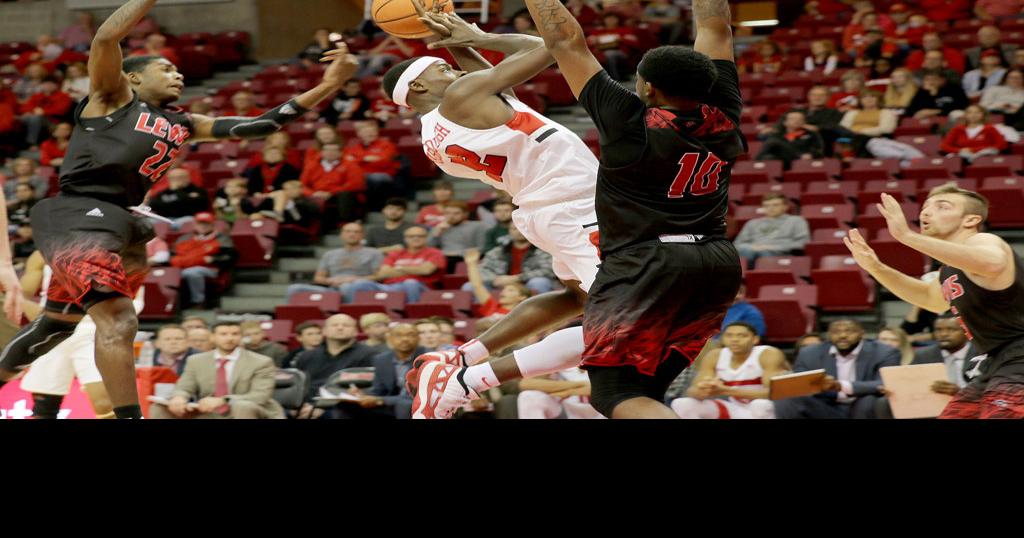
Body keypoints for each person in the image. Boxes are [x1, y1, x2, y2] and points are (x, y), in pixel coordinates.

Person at [0, 0, 358, 419]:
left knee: (56, 326)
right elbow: (106, 37)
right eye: (167, 69)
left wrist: (329, 84)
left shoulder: (185, 122)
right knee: (119, 321)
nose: (179, 74)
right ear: (133, 76)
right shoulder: (111, 97)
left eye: (178, 70)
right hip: (78, 212)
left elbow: (259, 125)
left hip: (121, 222)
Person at [388, 5, 613, 419]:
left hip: (543, 208)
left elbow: (516, 59)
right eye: (441, 69)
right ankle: (464, 382)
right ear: (418, 87)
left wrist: (465, 40)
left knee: (575, 297)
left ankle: (462, 357)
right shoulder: (461, 97)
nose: (452, 71)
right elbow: (551, 46)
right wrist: (482, 38)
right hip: (575, 205)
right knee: (625, 317)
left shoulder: (437, 128)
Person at [844, 184, 1024, 418]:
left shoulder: (983, 241)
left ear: (970, 220)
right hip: (994, 361)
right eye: (926, 206)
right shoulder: (948, 269)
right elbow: (931, 301)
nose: (926, 212)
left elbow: (993, 263)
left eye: (942, 207)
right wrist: (876, 268)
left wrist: (907, 236)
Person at [15, 251, 141, 419]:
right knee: (44, 404)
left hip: (94, 329)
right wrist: (40, 318)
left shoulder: (117, 247)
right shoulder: (43, 252)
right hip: (55, 327)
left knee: (105, 403)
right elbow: (23, 293)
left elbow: (136, 299)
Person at [149, 321, 285, 419]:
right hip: (207, 412)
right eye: (223, 334)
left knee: (242, 406)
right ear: (212, 337)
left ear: (241, 337)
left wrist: (223, 400)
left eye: (235, 334)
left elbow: (260, 396)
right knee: (159, 407)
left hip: (250, 410)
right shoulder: (196, 360)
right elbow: (184, 386)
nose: (230, 338)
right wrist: (179, 397)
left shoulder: (261, 362)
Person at [774, 319, 901, 419]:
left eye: (849, 331)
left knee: (869, 400)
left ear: (862, 333)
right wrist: (818, 384)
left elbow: (885, 382)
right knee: (785, 399)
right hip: (825, 405)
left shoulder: (885, 352)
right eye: (836, 332)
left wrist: (840, 385)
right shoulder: (808, 353)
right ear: (828, 334)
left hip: (862, 403)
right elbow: (799, 384)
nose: (842, 335)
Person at [670, 322, 787, 419]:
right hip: (735, 408)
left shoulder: (768, 354)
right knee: (682, 403)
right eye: (729, 335)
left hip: (764, 409)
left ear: (755, 339)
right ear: (722, 339)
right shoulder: (715, 355)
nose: (735, 339)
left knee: (760, 405)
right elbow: (692, 391)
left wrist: (725, 390)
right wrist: (704, 390)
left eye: (742, 336)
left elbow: (774, 393)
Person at [875, 314, 980, 418]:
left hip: (970, 401)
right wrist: (896, 389)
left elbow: (989, 388)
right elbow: (911, 383)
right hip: (931, 400)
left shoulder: (982, 354)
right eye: (938, 330)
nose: (943, 334)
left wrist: (960, 391)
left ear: (966, 331)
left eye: (951, 329)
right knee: (884, 402)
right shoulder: (923, 354)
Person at [293, 314, 378, 419]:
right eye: (334, 325)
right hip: (307, 404)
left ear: (356, 331)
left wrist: (322, 408)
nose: (340, 328)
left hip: (344, 407)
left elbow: (368, 390)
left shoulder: (370, 355)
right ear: (324, 331)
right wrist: (299, 406)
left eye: (346, 325)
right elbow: (299, 386)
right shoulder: (306, 356)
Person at [341, 323, 425, 419]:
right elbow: (378, 391)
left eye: (410, 335)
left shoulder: (427, 358)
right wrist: (362, 394)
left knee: (403, 405)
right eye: (398, 335)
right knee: (344, 406)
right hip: (390, 404)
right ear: (389, 339)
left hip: (417, 403)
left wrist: (381, 400)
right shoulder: (381, 359)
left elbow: (414, 395)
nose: (405, 339)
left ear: (418, 338)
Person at [284, 222, 383, 303]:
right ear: (341, 235)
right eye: (348, 231)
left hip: (359, 289)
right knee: (294, 288)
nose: (352, 234)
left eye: (356, 232)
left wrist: (355, 279)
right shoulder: (330, 254)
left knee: (347, 287)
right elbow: (318, 278)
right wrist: (330, 281)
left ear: (362, 235)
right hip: (332, 289)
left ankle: (347, 316)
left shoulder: (374, 253)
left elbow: (379, 277)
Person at [346, 225, 445, 303]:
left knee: (410, 282)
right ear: (405, 239)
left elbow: (425, 270)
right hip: (390, 286)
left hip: (420, 287)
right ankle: (352, 313)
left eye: (420, 236)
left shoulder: (435, 252)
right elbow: (384, 273)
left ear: (426, 238)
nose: (416, 238)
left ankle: (412, 312)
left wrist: (398, 268)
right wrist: (414, 270)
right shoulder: (396, 253)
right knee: (360, 284)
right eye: (411, 236)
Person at [170, 212, 236, 307]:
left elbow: (231, 257)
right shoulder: (184, 238)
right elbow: (173, 255)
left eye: (206, 223)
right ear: (195, 224)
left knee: (192, 272)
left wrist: (213, 259)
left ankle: (199, 301)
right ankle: (173, 304)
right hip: (183, 266)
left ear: (212, 224)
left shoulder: (222, 238)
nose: (203, 226)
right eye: (200, 223)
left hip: (211, 268)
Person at [733, 193, 810, 266]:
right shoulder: (752, 223)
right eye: (766, 206)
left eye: (775, 205)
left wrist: (769, 247)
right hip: (751, 253)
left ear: (785, 206)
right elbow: (737, 245)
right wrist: (753, 248)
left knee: (763, 253)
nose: (770, 208)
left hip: (780, 254)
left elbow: (802, 244)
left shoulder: (797, 221)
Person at [299, 140, 365, 225]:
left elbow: (356, 184)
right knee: (299, 197)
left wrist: (331, 193)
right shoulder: (311, 165)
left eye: (334, 150)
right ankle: (313, 228)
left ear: (340, 153)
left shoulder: (350, 165)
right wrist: (313, 193)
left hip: (339, 195)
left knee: (345, 194)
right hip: (316, 194)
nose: (330, 152)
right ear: (321, 152)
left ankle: (343, 224)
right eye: (327, 150)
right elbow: (301, 185)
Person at [342, 120, 401, 211]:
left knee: (372, 178)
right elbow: (347, 163)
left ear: (377, 133)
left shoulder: (387, 145)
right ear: (359, 134)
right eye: (366, 132)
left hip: (383, 174)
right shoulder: (353, 148)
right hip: (360, 176)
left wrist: (357, 160)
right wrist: (365, 159)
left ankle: (372, 206)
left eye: (372, 131)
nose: (370, 134)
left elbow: (384, 162)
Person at [463, 248, 531, 319]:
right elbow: (477, 286)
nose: (504, 292)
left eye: (510, 290)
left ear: (522, 297)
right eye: (504, 289)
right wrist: (472, 264)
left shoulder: (524, 315)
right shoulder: (492, 307)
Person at [429, 200, 488, 272]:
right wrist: (436, 233)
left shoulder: (477, 226)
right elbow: (429, 248)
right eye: (447, 213)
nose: (451, 216)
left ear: (465, 214)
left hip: (466, 258)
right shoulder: (440, 227)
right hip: (443, 258)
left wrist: (459, 253)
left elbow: (483, 248)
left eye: (456, 213)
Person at [940, 105, 1008, 162]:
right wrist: (959, 150)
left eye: (977, 112)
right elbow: (945, 146)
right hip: (963, 156)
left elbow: (1001, 144)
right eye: (970, 112)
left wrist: (975, 150)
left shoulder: (990, 128)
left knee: (989, 152)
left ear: (983, 115)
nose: (973, 115)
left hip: (985, 156)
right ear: (965, 115)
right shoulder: (957, 129)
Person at [755, 111, 825, 165]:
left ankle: (755, 162)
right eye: (792, 119)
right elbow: (761, 139)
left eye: (800, 119)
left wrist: (811, 155)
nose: (797, 121)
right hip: (783, 161)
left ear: (804, 122)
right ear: (785, 122)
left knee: (774, 141)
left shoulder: (811, 134)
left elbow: (818, 150)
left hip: (802, 162)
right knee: (768, 155)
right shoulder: (778, 134)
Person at [905, 71, 969, 120]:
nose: (930, 82)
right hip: (925, 118)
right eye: (927, 79)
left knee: (957, 113)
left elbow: (962, 106)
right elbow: (911, 109)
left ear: (943, 80)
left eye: (934, 79)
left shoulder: (954, 89)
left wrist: (936, 111)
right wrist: (930, 95)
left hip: (947, 117)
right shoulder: (922, 92)